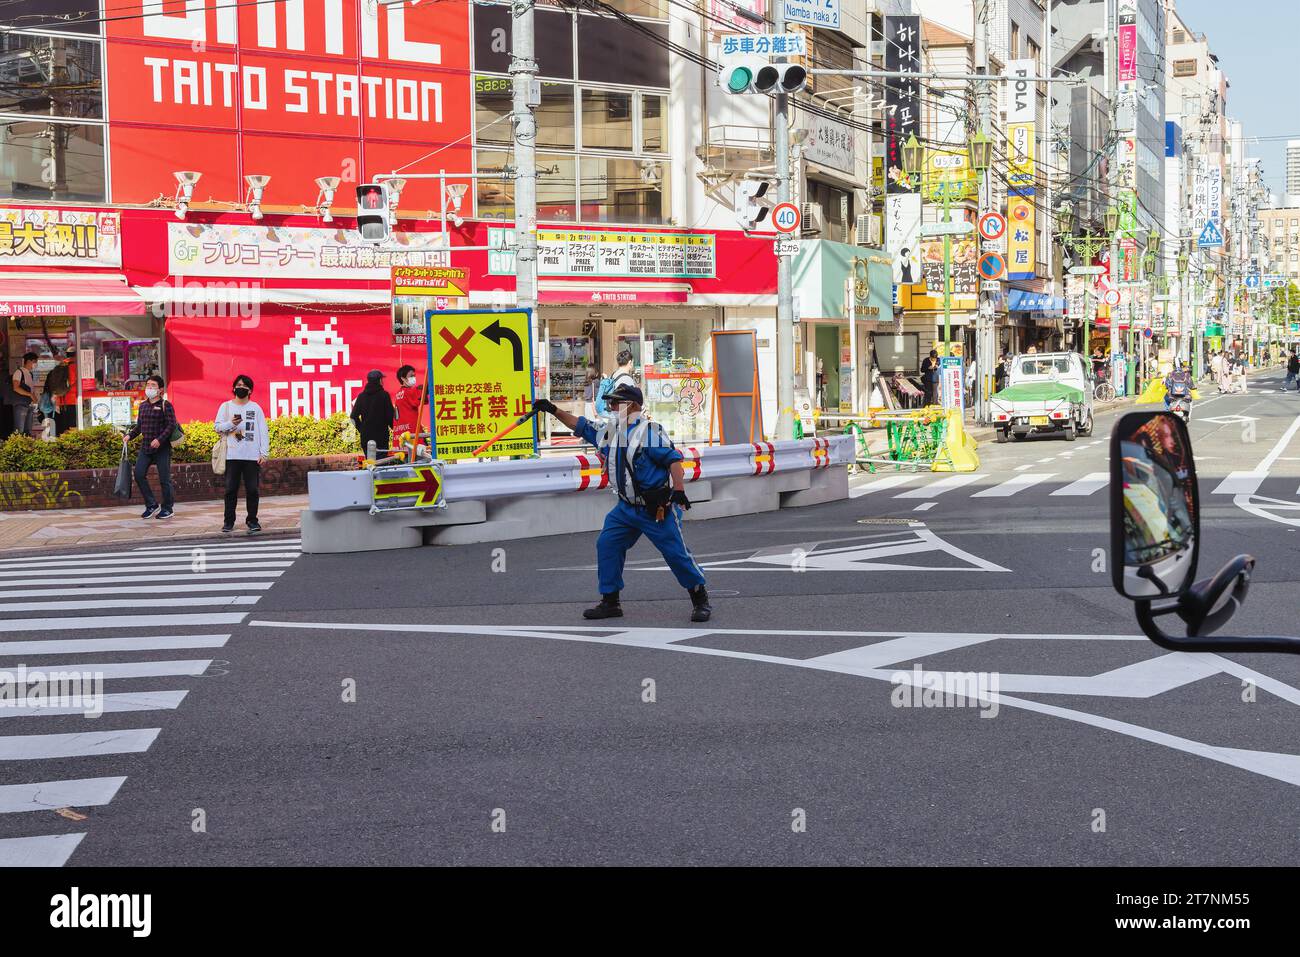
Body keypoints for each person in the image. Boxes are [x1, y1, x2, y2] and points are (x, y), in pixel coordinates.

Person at [531, 382, 711, 622]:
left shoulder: (650, 431)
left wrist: (678, 491)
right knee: (607, 544)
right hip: (625, 508)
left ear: (633, 405)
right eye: (612, 402)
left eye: (617, 402)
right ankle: (610, 601)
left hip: (654, 508)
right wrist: (553, 410)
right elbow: (581, 426)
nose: (612, 406)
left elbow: (673, 460)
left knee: (676, 553)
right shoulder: (612, 431)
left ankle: (700, 598)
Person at [214, 374, 269, 534]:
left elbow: (263, 431)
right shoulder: (226, 407)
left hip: (252, 457)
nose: (241, 387)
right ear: (233, 388)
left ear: (250, 390)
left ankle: (252, 520)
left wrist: (264, 453)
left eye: (244, 386)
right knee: (230, 490)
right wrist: (231, 424)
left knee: (252, 490)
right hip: (232, 456)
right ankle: (228, 521)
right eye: (238, 385)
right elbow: (217, 427)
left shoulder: (256, 408)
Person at [127, 373, 177, 520]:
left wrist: (160, 440)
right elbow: (139, 427)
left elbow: (171, 425)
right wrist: (129, 436)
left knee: (164, 479)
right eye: (148, 385)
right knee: (138, 474)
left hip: (162, 448)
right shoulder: (143, 406)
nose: (149, 388)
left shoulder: (165, 405)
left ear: (160, 390)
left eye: (153, 386)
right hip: (146, 448)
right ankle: (151, 504)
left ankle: (168, 508)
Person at [350, 369, 394, 457]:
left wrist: (362, 429)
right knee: (381, 464)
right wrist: (394, 429)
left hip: (366, 437)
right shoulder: (384, 395)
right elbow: (390, 416)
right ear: (379, 381)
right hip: (381, 436)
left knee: (370, 464)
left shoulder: (361, 396)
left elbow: (353, 416)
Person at [391, 364, 425, 451]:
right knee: (420, 462)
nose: (414, 378)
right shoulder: (408, 392)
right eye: (411, 376)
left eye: (414, 376)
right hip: (411, 436)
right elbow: (420, 393)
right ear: (403, 378)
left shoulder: (399, 393)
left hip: (402, 437)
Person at [10, 351, 38, 436]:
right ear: (29, 361)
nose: (36, 364)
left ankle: (27, 447)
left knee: (28, 430)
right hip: (21, 404)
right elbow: (16, 388)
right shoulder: (19, 372)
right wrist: (30, 394)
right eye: (35, 362)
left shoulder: (30, 374)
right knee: (19, 430)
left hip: (29, 404)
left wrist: (34, 400)